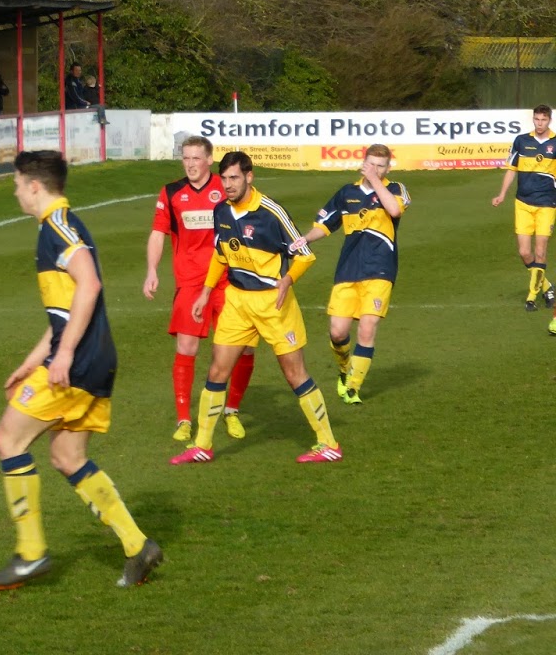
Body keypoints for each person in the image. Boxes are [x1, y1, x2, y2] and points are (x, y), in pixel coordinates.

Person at [0, 150, 162, 590]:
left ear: (34, 186)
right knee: (67, 457)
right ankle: (138, 545)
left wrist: (61, 357)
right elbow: (65, 309)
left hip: (79, 363)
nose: (14, 191)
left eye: (16, 183)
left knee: (8, 440)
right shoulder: (57, 226)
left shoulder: (58, 227)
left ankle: (30, 553)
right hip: (95, 360)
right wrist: (35, 358)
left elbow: (90, 283)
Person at [171, 151, 342, 466]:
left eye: (234, 178)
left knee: (294, 373)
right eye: (224, 179)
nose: (228, 185)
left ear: (249, 176)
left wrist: (287, 280)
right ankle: (202, 445)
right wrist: (206, 293)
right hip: (237, 301)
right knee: (217, 370)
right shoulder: (221, 210)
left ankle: (328, 442)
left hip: (273, 304)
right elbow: (221, 256)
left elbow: (305, 254)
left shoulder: (271, 212)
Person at [143, 136, 253, 443]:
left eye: (196, 158)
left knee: (243, 347)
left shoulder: (227, 186)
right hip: (191, 282)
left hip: (228, 281)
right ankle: (183, 419)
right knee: (186, 347)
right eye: (186, 158)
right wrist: (152, 270)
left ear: (208, 159)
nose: (190, 164)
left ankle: (231, 411)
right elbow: (157, 233)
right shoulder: (172, 192)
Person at [296, 144, 410, 403]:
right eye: (371, 164)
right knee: (337, 332)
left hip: (380, 269)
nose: (376, 169)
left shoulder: (395, 189)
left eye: (381, 166)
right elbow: (324, 226)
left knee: (368, 327)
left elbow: (394, 210)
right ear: (363, 163)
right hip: (348, 269)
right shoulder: (347, 193)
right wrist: (304, 239)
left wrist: (373, 180)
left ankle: (353, 389)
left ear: (388, 167)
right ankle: (344, 370)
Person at [491, 104, 556, 310]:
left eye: (543, 120)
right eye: (536, 119)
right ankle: (547, 288)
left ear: (549, 121)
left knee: (540, 251)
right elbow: (511, 169)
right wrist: (502, 194)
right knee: (524, 252)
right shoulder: (521, 141)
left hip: (547, 204)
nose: (539, 123)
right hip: (523, 203)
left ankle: (531, 297)